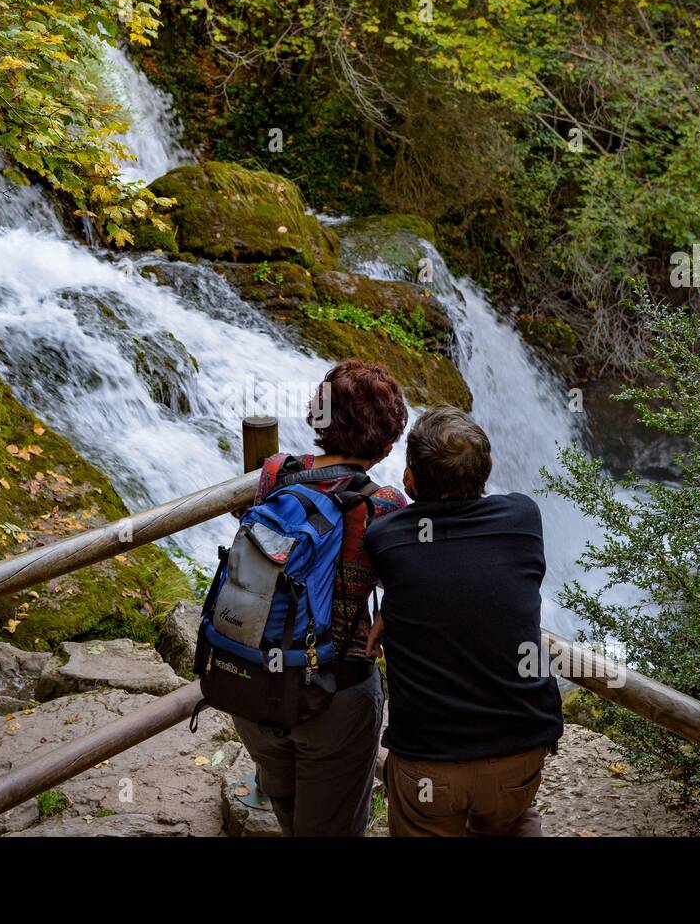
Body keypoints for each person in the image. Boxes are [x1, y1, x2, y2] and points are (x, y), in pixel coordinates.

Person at [363, 405, 563, 837]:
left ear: (411, 477)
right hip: (521, 748)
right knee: (510, 821)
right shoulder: (524, 519)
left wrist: (388, 607)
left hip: (430, 765)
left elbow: (424, 568)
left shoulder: (385, 539)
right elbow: (460, 571)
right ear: (486, 469)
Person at [231, 358, 408, 837]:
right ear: (387, 440)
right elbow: (414, 584)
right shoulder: (385, 506)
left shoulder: (273, 475)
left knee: (288, 809)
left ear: (318, 418)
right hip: (335, 693)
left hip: (254, 684)